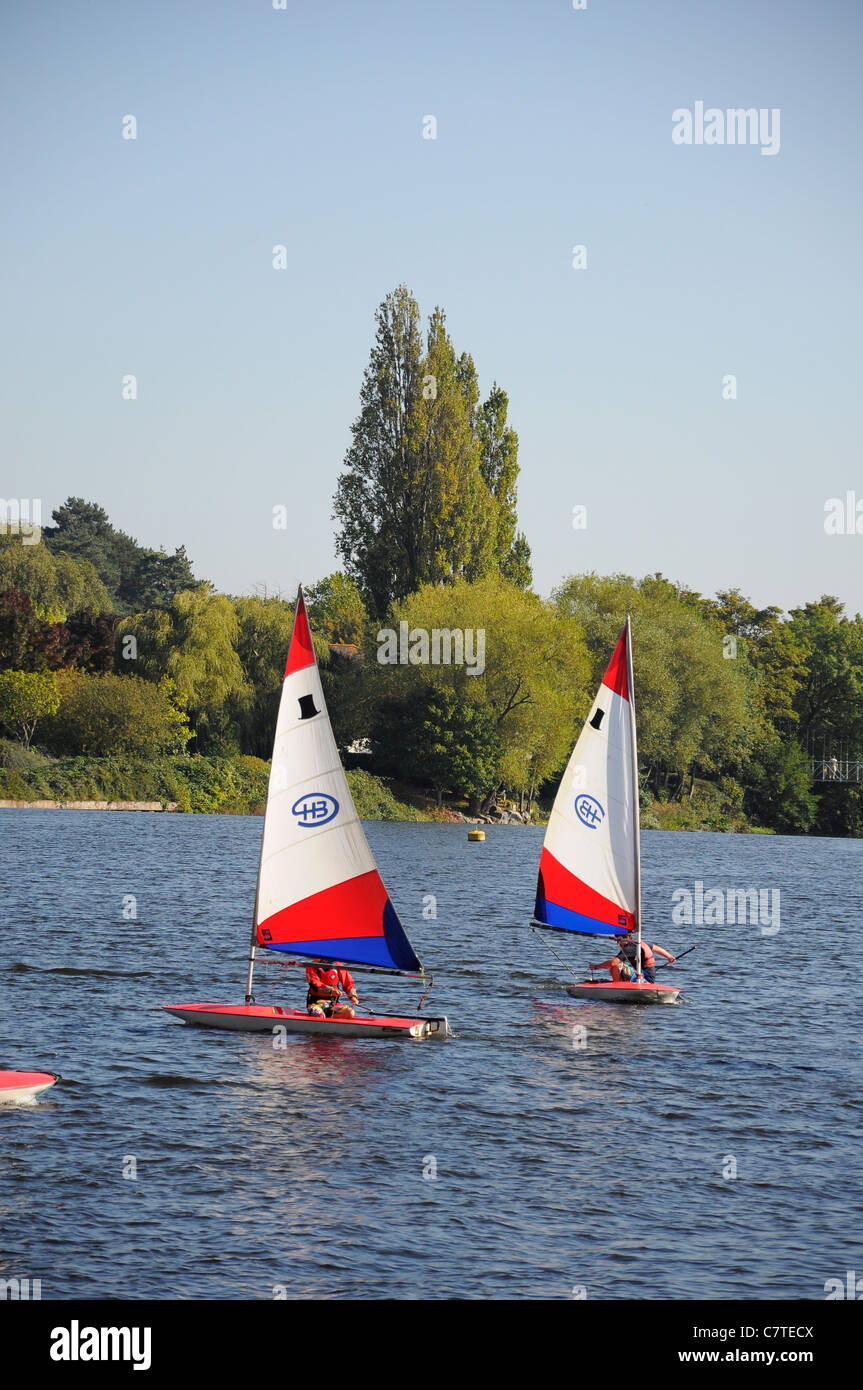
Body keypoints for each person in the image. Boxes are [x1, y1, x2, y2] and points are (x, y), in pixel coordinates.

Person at [591, 934, 676, 984]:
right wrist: (669, 957)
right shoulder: (638, 943)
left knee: (616, 966)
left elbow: (613, 962)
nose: (618, 943)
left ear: (623, 938)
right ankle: (622, 982)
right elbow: (655, 948)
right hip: (648, 977)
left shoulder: (628, 948)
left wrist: (596, 967)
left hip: (644, 980)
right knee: (623, 965)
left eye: (618, 939)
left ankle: (617, 987)